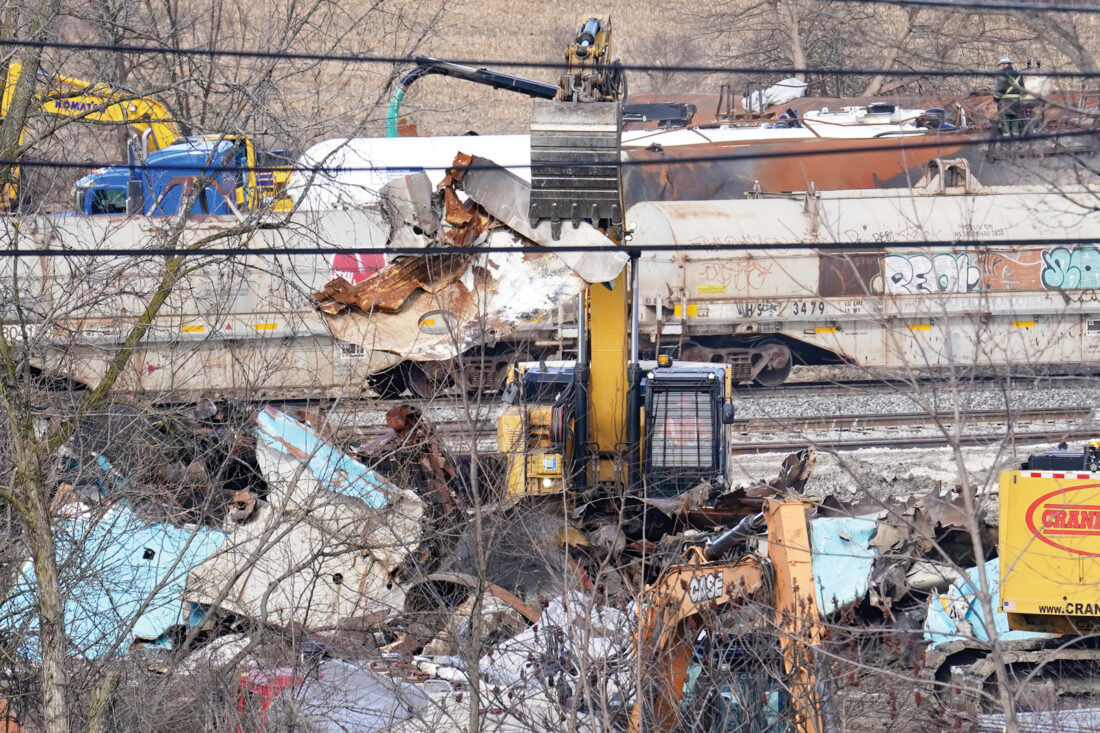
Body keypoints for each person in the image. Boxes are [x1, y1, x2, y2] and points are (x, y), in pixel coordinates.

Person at [993, 55, 1025, 137]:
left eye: (999, 65)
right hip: (1016, 104)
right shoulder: (1018, 75)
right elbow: (1023, 90)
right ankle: (1016, 145)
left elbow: (999, 90)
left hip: (1004, 104)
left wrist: (995, 99)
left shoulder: (1001, 74)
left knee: (1005, 128)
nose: (999, 67)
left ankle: (1006, 146)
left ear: (1005, 64)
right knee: (1015, 127)